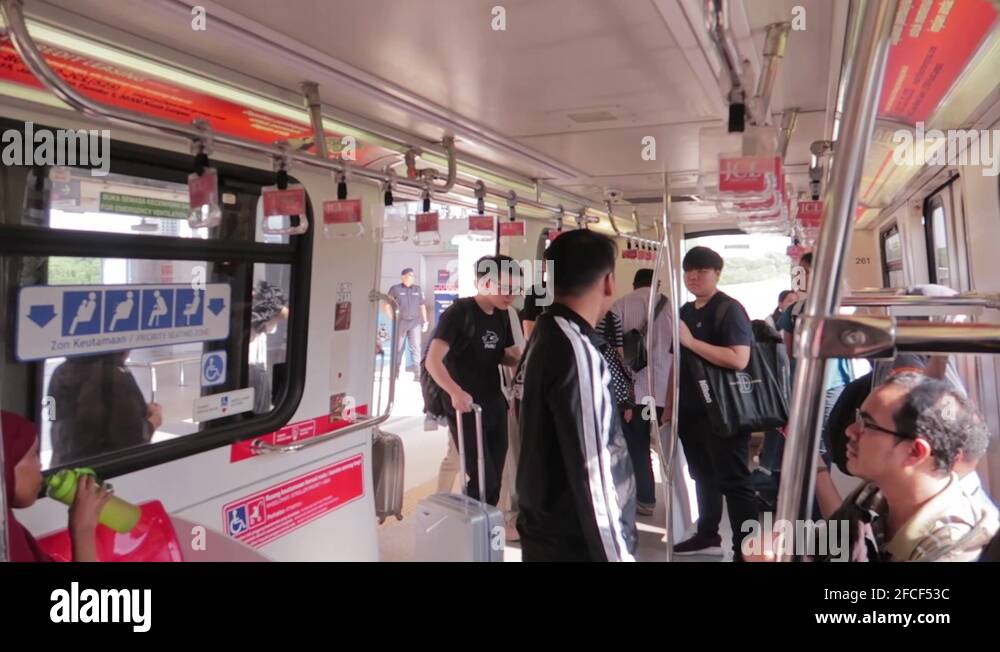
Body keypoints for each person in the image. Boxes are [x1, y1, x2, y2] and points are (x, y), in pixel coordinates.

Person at [515, 229, 636, 561]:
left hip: (546, 526)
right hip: (575, 540)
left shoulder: (543, 335)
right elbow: (596, 466)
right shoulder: (577, 350)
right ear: (609, 282)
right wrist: (620, 554)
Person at [826, 373, 997, 561]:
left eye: (868, 425)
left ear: (915, 451)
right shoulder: (875, 494)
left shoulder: (951, 548)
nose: (850, 431)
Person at [670, 246, 757, 560]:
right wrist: (670, 406)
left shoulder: (729, 309)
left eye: (701, 270)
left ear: (717, 274)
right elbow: (677, 363)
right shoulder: (684, 312)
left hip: (726, 411)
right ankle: (707, 535)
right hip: (692, 410)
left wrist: (692, 341)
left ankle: (747, 549)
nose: (694, 276)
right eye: (689, 270)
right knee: (702, 475)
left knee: (735, 482)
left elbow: (739, 358)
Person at [424, 255, 522, 505]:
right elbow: (433, 360)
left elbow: (505, 356)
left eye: (516, 288)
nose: (511, 294)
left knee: (494, 480)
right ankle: (464, 526)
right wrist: (455, 392)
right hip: (466, 408)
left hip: (494, 403)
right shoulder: (459, 313)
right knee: (483, 478)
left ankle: (478, 529)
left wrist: (523, 361)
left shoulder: (502, 314)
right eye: (505, 288)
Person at [2, 410, 110, 561]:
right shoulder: (6, 546)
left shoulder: (9, 528)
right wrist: (83, 530)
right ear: (6, 462)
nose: (40, 464)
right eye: (33, 453)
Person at [610, 268, 672, 516]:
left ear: (634, 284)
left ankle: (644, 498)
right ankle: (678, 503)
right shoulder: (671, 307)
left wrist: (622, 397)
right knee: (667, 447)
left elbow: (613, 354)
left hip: (635, 393)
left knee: (637, 444)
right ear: (656, 285)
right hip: (664, 390)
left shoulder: (619, 306)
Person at [48, 352, 162, 466]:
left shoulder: (60, 371)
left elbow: (52, 415)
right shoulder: (114, 375)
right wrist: (154, 421)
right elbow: (133, 437)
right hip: (98, 471)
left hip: (63, 463)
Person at [250, 281, 289, 414]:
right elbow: (283, 312)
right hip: (254, 368)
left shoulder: (261, 316)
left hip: (258, 367)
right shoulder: (255, 318)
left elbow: (283, 313)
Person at [386, 268, 428, 381]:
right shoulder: (395, 289)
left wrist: (426, 321)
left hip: (415, 322)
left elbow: (422, 306)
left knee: (416, 348)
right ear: (403, 277)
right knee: (398, 348)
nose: (412, 277)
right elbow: (387, 305)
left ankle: (418, 375)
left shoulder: (417, 289)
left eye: (413, 276)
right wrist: (393, 319)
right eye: (410, 275)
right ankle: (394, 374)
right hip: (401, 322)